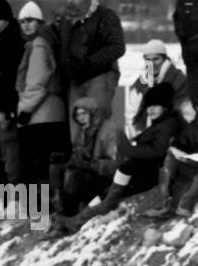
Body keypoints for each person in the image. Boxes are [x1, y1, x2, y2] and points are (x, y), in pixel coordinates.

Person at [56, 82, 180, 235]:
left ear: (166, 106)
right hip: (130, 170)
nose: (151, 109)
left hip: (140, 173)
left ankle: (77, 221)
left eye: (156, 105)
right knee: (104, 195)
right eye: (149, 106)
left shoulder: (167, 124)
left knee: (107, 198)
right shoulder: (159, 124)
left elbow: (158, 150)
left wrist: (130, 150)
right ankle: (77, 219)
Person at [54, 0, 125, 137]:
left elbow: (117, 47)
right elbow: (60, 45)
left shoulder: (105, 16)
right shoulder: (66, 20)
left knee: (98, 126)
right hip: (74, 80)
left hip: (99, 76)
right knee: (76, 129)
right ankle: (79, 160)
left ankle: (101, 160)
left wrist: (90, 62)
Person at [13, 2, 67, 187]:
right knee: (48, 170)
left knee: (35, 170)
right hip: (55, 114)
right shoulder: (48, 42)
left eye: (30, 21)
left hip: (40, 117)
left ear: (40, 22)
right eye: (22, 22)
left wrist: (25, 110)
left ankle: (36, 211)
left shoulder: (38, 45)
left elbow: (37, 81)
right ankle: (47, 211)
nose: (26, 25)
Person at [53, 96, 117, 220]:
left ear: (93, 113)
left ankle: (69, 216)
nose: (81, 117)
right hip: (89, 173)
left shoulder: (108, 130)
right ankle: (61, 213)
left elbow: (114, 164)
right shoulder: (81, 133)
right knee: (57, 170)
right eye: (78, 115)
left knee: (74, 176)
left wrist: (90, 164)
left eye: (84, 113)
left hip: (105, 177)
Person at [0, 0, 24, 182]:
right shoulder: (13, 36)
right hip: (14, 105)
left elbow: (9, 77)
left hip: (10, 108)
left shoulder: (9, 40)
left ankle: (14, 198)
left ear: (7, 18)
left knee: (10, 153)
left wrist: (5, 110)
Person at [145, 98, 198, 220]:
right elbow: (179, 144)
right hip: (190, 162)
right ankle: (164, 204)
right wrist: (177, 151)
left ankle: (185, 205)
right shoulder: (192, 127)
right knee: (169, 159)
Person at [123, 40, 188, 129]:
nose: (152, 64)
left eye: (156, 59)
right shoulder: (140, 84)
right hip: (145, 134)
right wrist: (137, 134)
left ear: (165, 59)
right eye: (148, 60)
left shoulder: (179, 80)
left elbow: (185, 112)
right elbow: (131, 114)